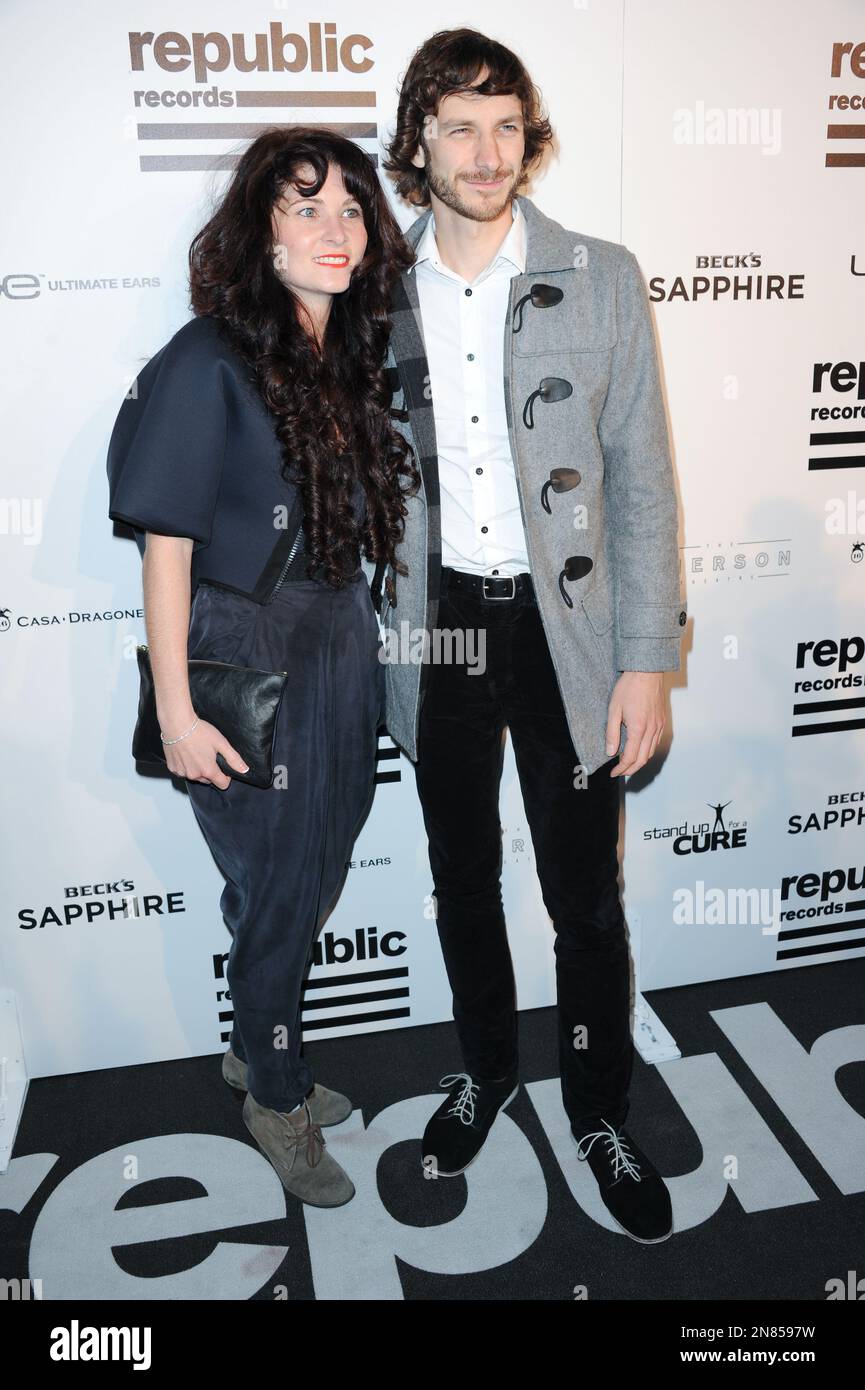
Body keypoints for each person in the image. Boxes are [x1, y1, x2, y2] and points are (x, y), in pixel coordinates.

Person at [378, 29, 688, 1242]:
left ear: (529, 137)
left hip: (567, 635)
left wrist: (647, 657)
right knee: (461, 876)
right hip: (438, 628)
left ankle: (597, 1103)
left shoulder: (601, 276)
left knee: (583, 897)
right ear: (418, 145)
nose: (486, 151)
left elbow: (644, 482)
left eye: (505, 123)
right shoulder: (373, 293)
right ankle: (487, 1068)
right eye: (458, 124)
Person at [106, 127, 420, 1209]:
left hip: (337, 636)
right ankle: (274, 1092)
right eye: (305, 207)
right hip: (244, 642)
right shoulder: (207, 360)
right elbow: (166, 546)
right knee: (284, 886)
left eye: (351, 208)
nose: (336, 229)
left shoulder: (341, 354)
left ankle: (256, 1039)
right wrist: (178, 706)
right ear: (260, 230)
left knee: (314, 866)